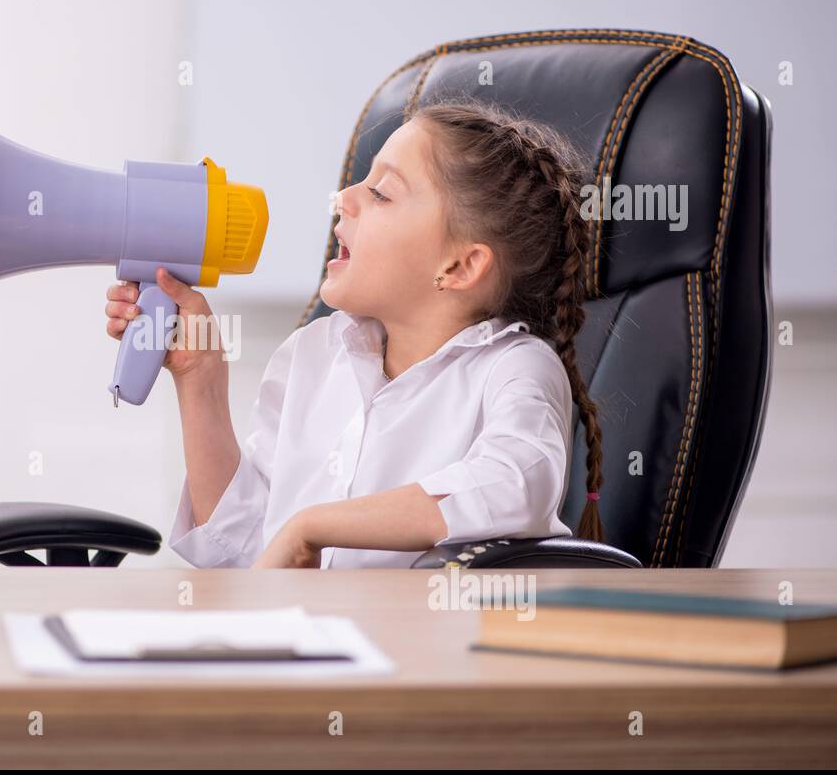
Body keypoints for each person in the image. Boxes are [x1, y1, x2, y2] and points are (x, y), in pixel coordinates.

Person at [104, 99, 604, 568]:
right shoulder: (313, 354)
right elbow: (240, 554)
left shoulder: (513, 367)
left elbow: (515, 485)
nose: (342, 198)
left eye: (381, 192)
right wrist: (200, 378)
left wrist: (313, 526)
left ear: (459, 265)